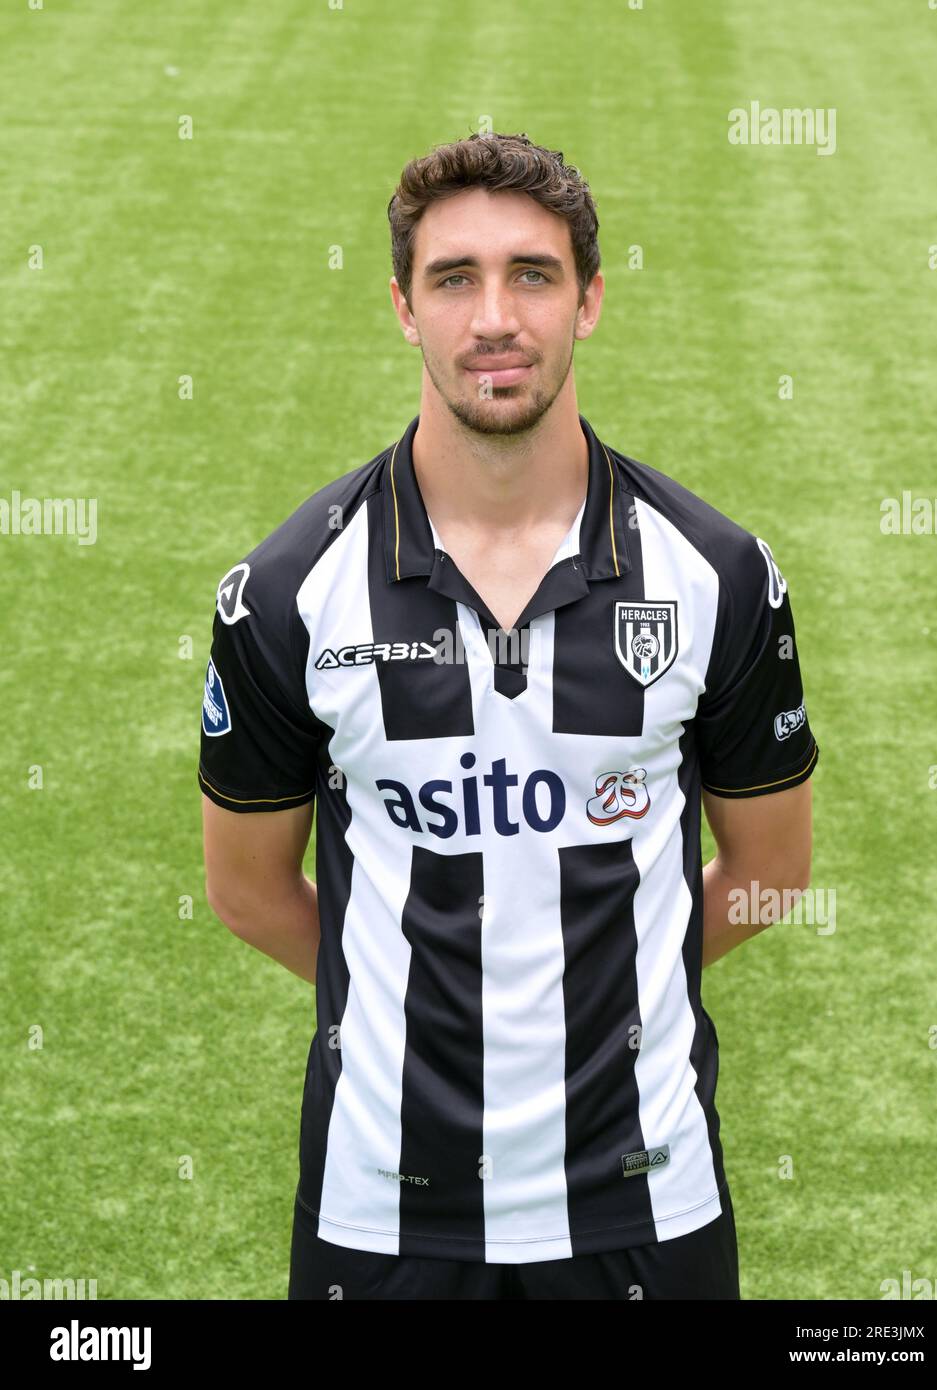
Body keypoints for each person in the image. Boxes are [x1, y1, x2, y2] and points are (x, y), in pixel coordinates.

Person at [198, 131, 818, 1301]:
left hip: (646, 1202)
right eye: (454, 278)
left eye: (532, 275)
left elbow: (771, 871)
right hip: (383, 1210)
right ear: (402, 308)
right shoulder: (286, 590)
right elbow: (245, 888)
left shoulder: (716, 575)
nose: (494, 317)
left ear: (588, 301)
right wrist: (427, 996)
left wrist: (599, 998)